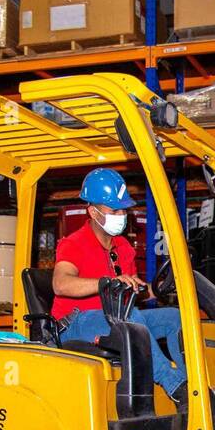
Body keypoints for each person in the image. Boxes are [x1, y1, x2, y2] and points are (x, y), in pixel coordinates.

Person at [52, 168, 188, 404]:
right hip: (75, 323)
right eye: (114, 210)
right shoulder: (73, 243)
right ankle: (175, 387)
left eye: (123, 209)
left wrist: (156, 290)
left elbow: (129, 292)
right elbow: (61, 284)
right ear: (93, 212)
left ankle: (190, 383)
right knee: (129, 319)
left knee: (174, 318)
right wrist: (108, 283)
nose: (122, 215)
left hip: (118, 317)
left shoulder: (123, 247)